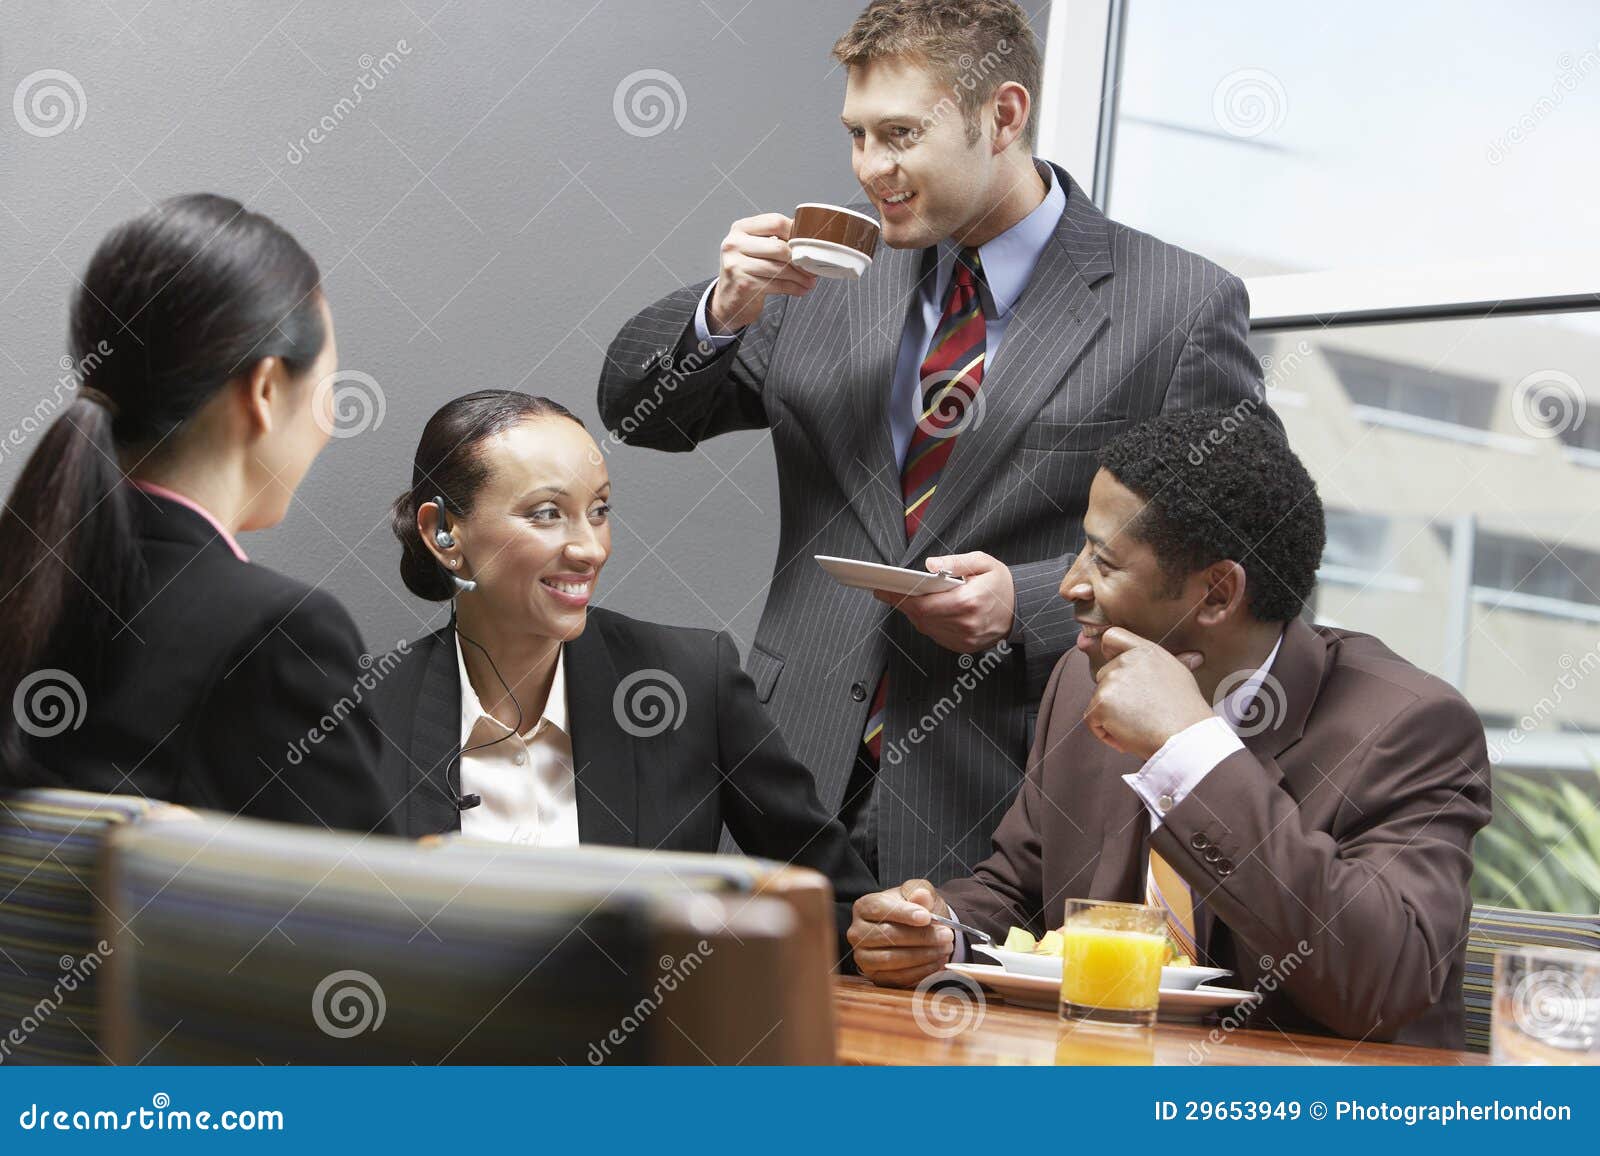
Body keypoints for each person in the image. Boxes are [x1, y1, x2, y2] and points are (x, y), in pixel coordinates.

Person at [597, 0, 1270, 885]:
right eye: (858, 135)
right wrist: (723, 313)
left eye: (901, 134)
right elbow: (641, 415)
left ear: (1003, 116)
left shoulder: (1179, 307)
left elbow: (1238, 550)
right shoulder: (821, 271)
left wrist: (1030, 602)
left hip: (1007, 794)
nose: (872, 168)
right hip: (781, 782)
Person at [847, 411, 1492, 1048]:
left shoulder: (1410, 726)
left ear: (1216, 594)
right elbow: (1021, 891)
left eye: (1104, 561)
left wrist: (1192, 750)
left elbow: (1383, 983)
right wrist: (942, 931)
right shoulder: (1084, 679)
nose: (1070, 583)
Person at [371, 391, 876, 907]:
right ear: (443, 532)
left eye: (598, 510)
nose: (591, 549)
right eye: (546, 513)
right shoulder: (359, 719)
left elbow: (841, 906)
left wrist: (889, 934)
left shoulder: (692, 682)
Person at [0, 194, 397, 833]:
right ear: (266, 390)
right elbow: (371, 921)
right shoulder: (280, 639)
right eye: (330, 386)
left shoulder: (27, 589)